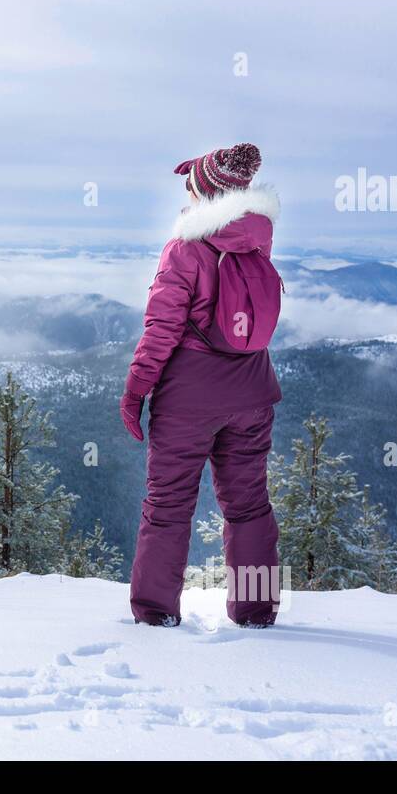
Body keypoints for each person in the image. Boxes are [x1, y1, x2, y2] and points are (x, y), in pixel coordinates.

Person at [120, 143, 283, 628]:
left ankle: (155, 613)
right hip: (253, 392)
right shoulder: (257, 239)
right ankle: (256, 611)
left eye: (191, 188)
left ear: (205, 195)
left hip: (189, 399)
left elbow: (162, 330)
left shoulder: (185, 249)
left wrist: (136, 391)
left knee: (167, 506)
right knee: (250, 506)